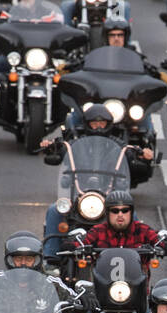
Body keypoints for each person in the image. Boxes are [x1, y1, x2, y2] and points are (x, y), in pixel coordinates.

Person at [40, 104, 143, 259]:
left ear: (109, 124)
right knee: (55, 209)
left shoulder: (119, 146)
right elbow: (60, 151)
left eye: (102, 123)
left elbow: (133, 156)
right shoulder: (74, 144)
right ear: (87, 124)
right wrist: (50, 147)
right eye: (94, 123)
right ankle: (50, 258)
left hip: (108, 196)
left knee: (131, 214)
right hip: (79, 195)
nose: (98, 127)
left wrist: (143, 155)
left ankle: (134, 258)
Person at [0, 0, 63, 107]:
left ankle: (67, 106)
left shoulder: (51, 13)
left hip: (44, 56)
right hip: (16, 55)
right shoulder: (9, 13)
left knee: (69, 70)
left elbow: (60, 30)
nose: (27, 0)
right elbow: (0, 30)